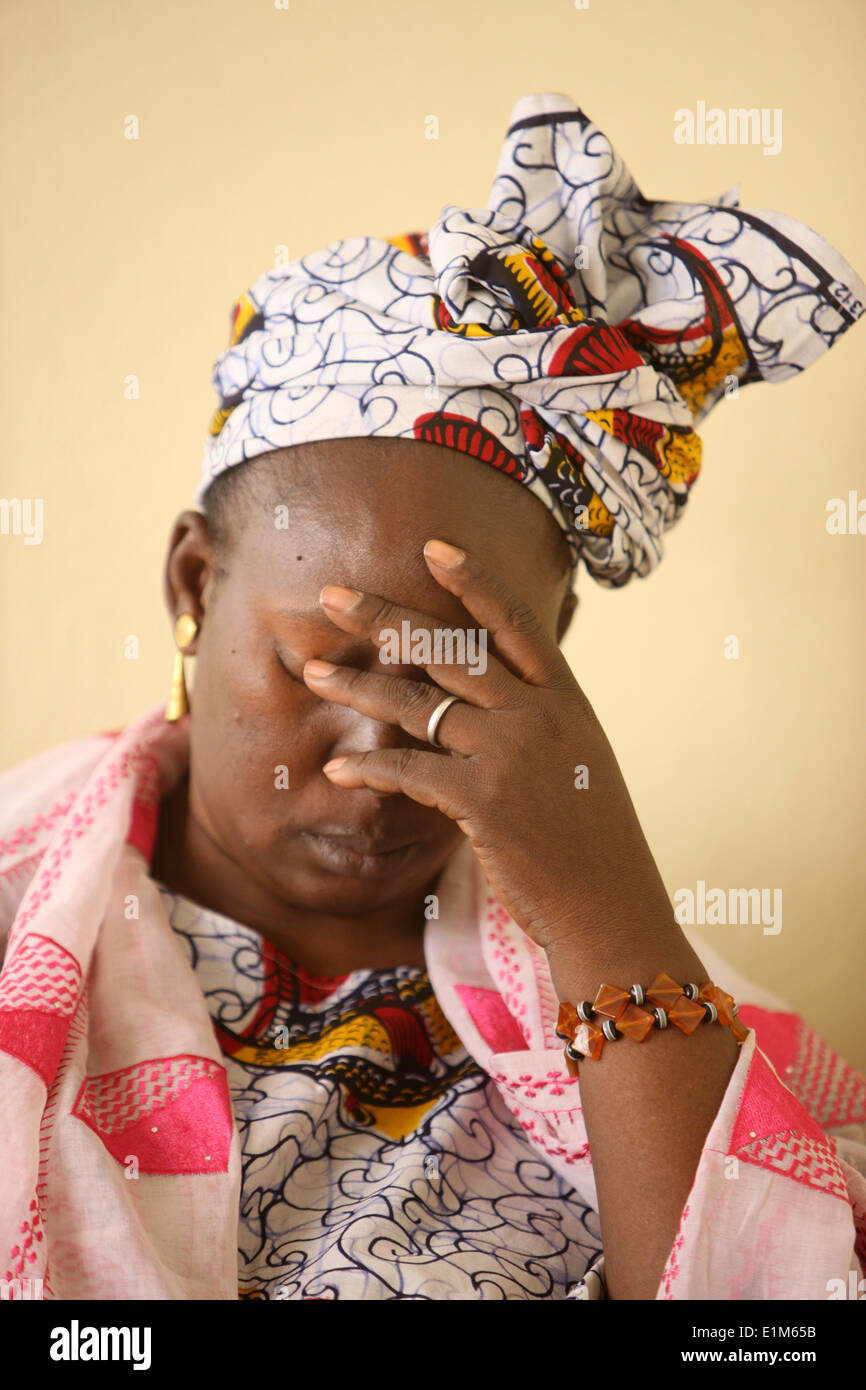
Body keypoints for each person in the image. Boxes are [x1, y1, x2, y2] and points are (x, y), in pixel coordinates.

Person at [1, 91, 864, 1302]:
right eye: (325, 658)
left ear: (553, 653)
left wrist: (612, 930)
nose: (377, 749)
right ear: (194, 583)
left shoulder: (648, 1018)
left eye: (459, 672)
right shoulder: (16, 922)